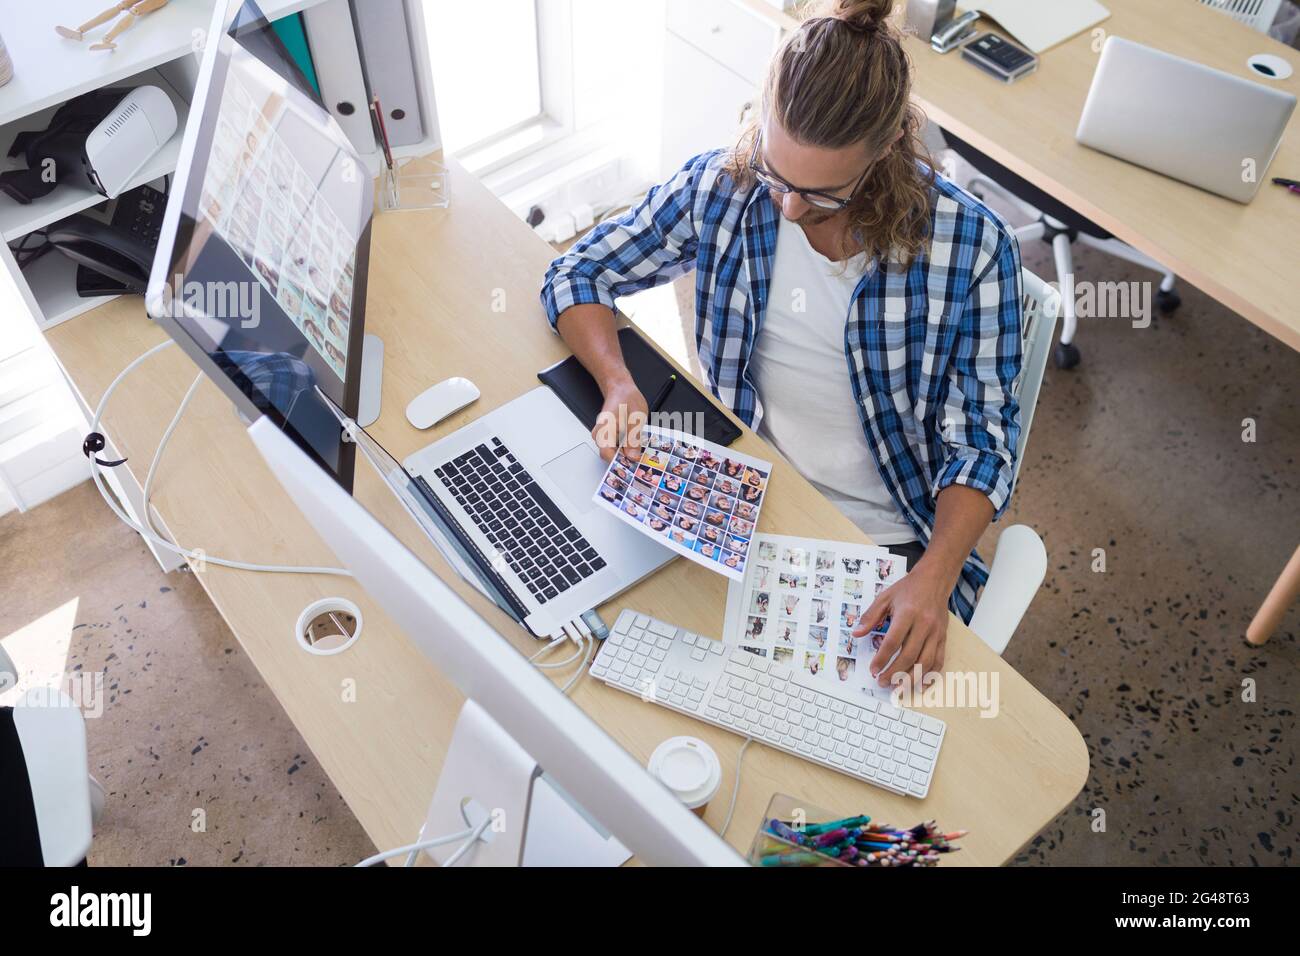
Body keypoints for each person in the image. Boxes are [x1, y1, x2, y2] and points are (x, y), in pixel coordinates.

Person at [540, 0, 1022, 689]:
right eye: (777, 174)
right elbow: (578, 271)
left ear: (886, 150)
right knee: (621, 668)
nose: (788, 207)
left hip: (889, 535)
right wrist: (617, 380)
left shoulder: (972, 248)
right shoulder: (727, 185)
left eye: (820, 192)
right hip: (748, 492)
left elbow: (981, 446)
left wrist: (934, 577)